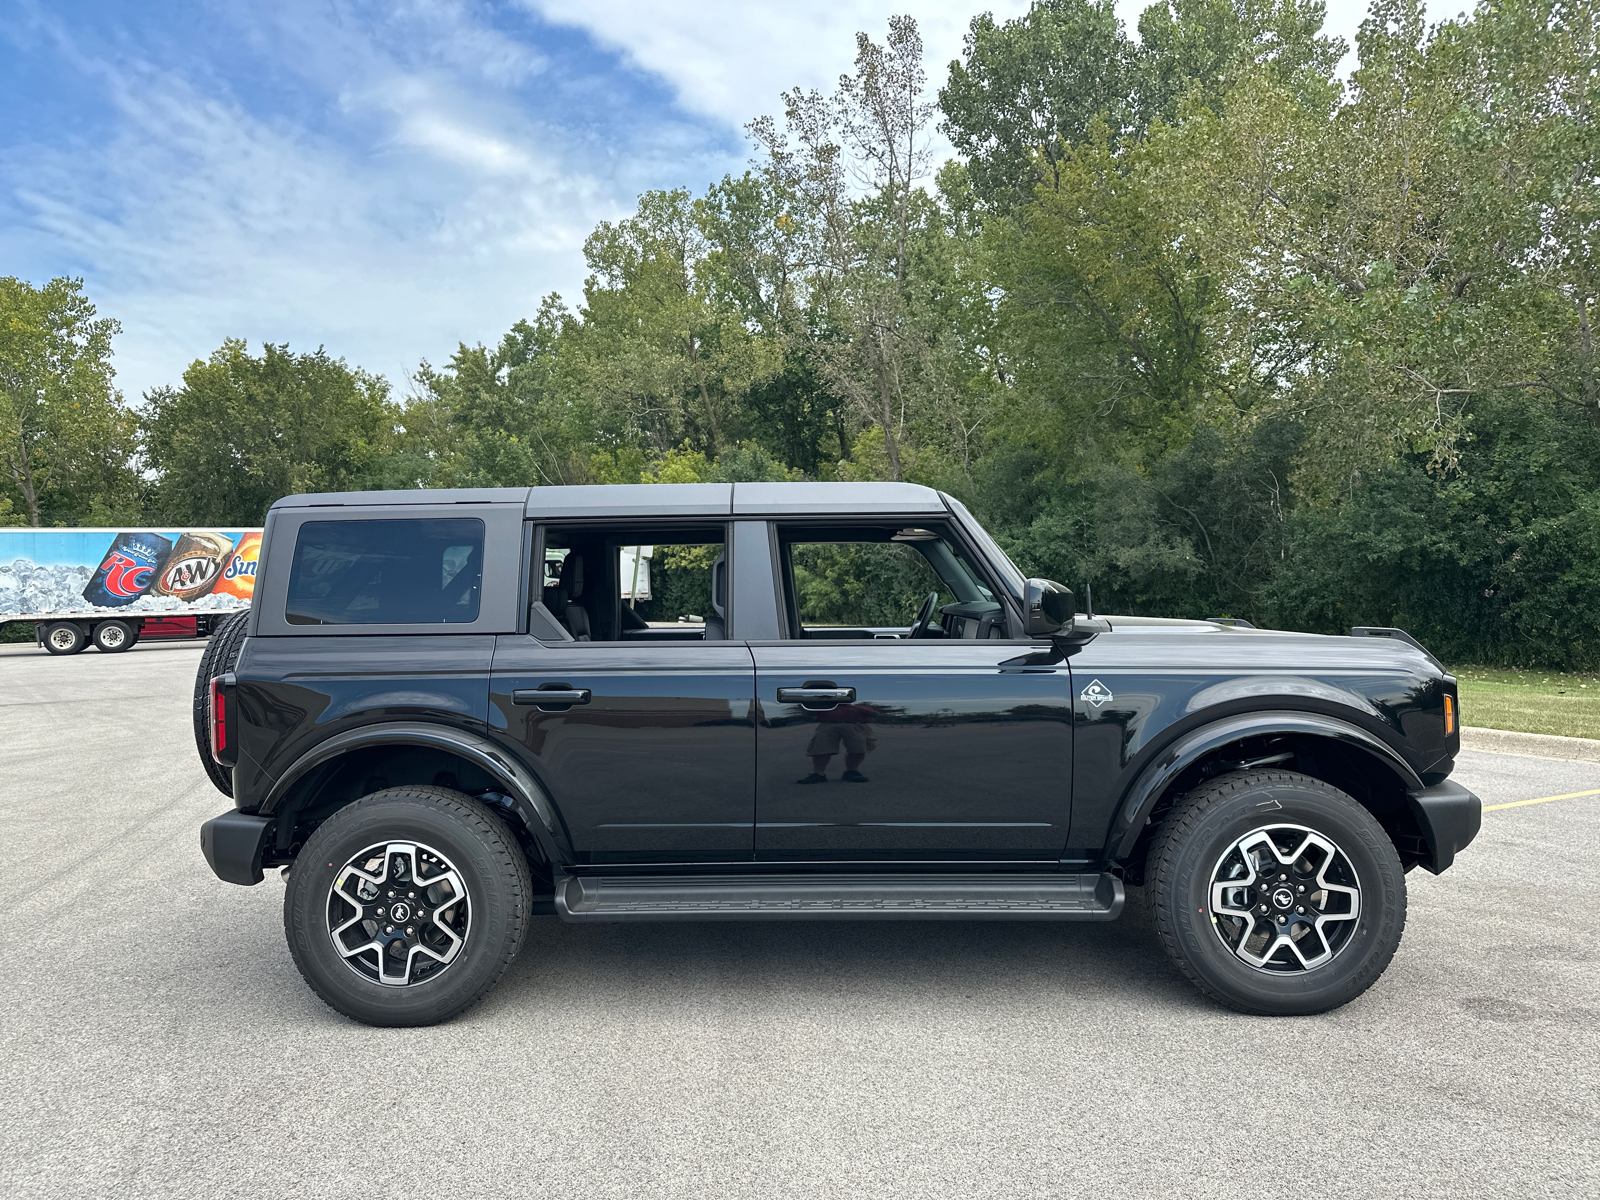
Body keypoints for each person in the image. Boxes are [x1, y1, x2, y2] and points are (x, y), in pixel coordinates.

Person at [797, 701, 876, 783]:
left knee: (858, 748)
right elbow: (810, 712)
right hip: (828, 723)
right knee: (821, 748)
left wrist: (852, 706)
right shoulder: (827, 703)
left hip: (855, 724)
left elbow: (874, 713)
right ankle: (818, 773)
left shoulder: (860, 704)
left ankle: (852, 771)